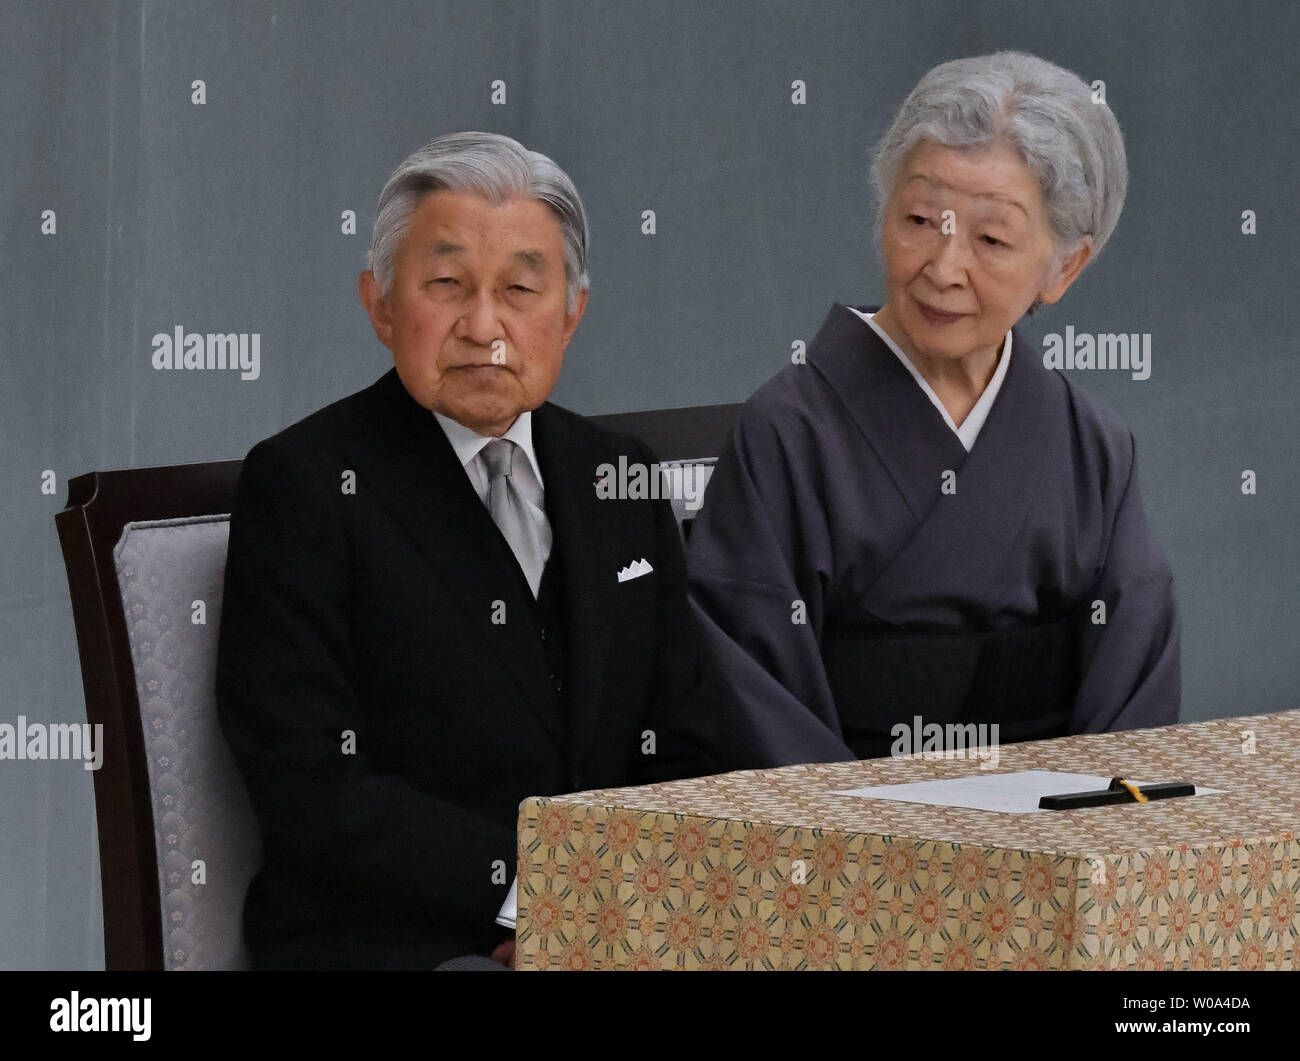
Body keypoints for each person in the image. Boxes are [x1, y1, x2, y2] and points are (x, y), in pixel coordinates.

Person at [216, 132, 722, 970]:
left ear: (572, 313)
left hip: (616, 922)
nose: (484, 324)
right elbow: (312, 786)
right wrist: (541, 897)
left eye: (522, 288)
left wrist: (619, 911)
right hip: (393, 937)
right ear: (379, 304)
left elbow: (687, 742)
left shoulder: (619, 474)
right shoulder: (305, 485)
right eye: (446, 284)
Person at [686, 51, 1180, 768]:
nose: (944, 267)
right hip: (849, 857)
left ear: (1063, 267)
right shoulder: (787, 434)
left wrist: (1081, 828)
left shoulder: (1091, 447)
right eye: (920, 218)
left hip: (1052, 842)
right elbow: (751, 695)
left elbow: (1135, 691)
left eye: (991, 238)